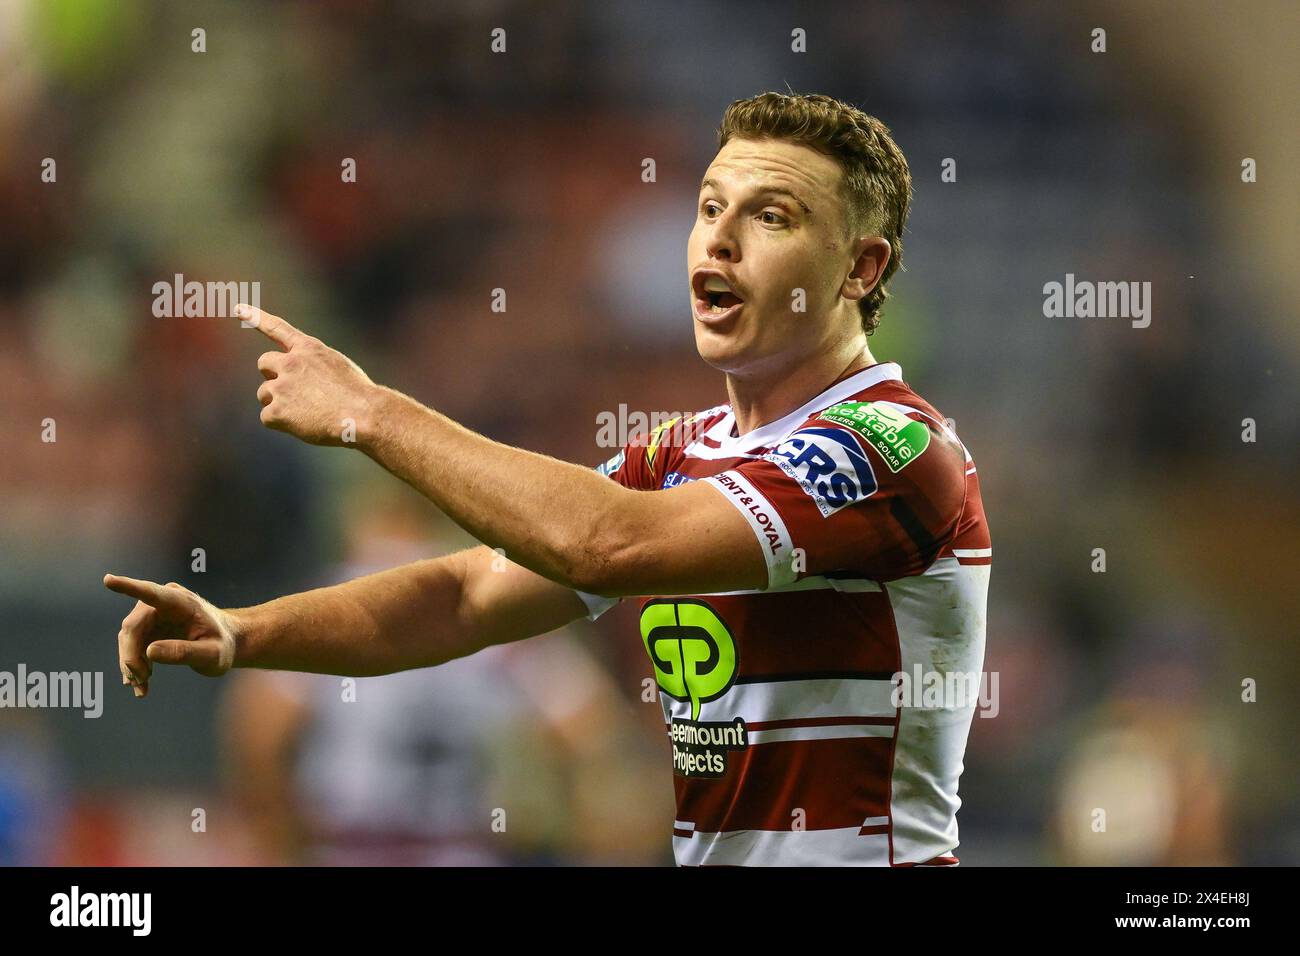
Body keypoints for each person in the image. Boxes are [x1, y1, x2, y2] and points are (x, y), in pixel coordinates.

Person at [106, 91, 991, 866]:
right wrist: (241, 630)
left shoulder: (892, 447)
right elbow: (463, 596)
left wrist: (371, 414)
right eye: (709, 206)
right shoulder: (676, 457)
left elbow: (603, 545)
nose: (717, 237)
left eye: (771, 216)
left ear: (861, 269)